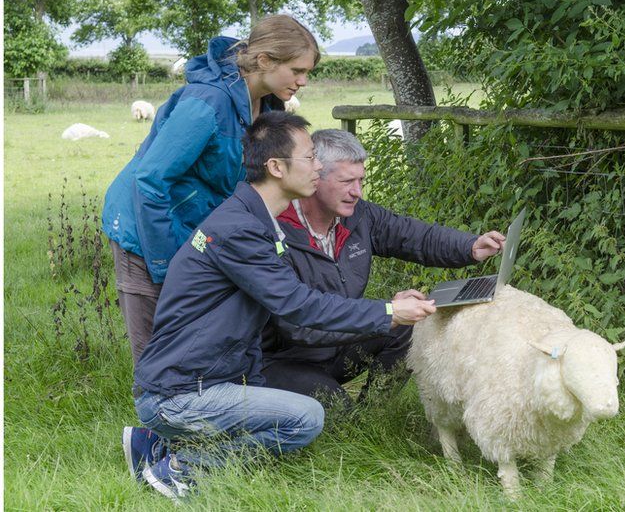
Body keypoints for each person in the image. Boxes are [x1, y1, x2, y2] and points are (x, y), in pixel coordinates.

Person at [123, 112, 437, 502]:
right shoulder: (241, 229)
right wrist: (388, 313)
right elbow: (299, 306)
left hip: (203, 379)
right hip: (181, 392)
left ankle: (154, 442)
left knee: (292, 414)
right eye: (309, 157)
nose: (318, 166)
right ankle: (181, 467)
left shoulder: (254, 217)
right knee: (306, 418)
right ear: (275, 167)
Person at [102, 14, 320, 364]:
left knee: (198, 339)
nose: (303, 81)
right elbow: (150, 180)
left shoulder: (267, 105)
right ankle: (151, 415)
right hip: (147, 226)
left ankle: (203, 410)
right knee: (160, 346)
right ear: (264, 60)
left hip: (195, 227)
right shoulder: (206, 103)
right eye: (297, 70)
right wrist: (168, 265)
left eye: (307, 72)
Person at [260, 129, 506, 402]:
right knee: (336, 412)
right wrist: (385, 312)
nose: (357, 192)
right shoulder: (273, 233)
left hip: (338, 344)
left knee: (407, 327)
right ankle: (341, 412)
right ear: (315, 176)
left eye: (361, 180)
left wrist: (470, 246)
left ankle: (375, 412)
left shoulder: (359, 216)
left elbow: (414, 235)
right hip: (282, 359)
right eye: (346, 181)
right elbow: (298, 326)